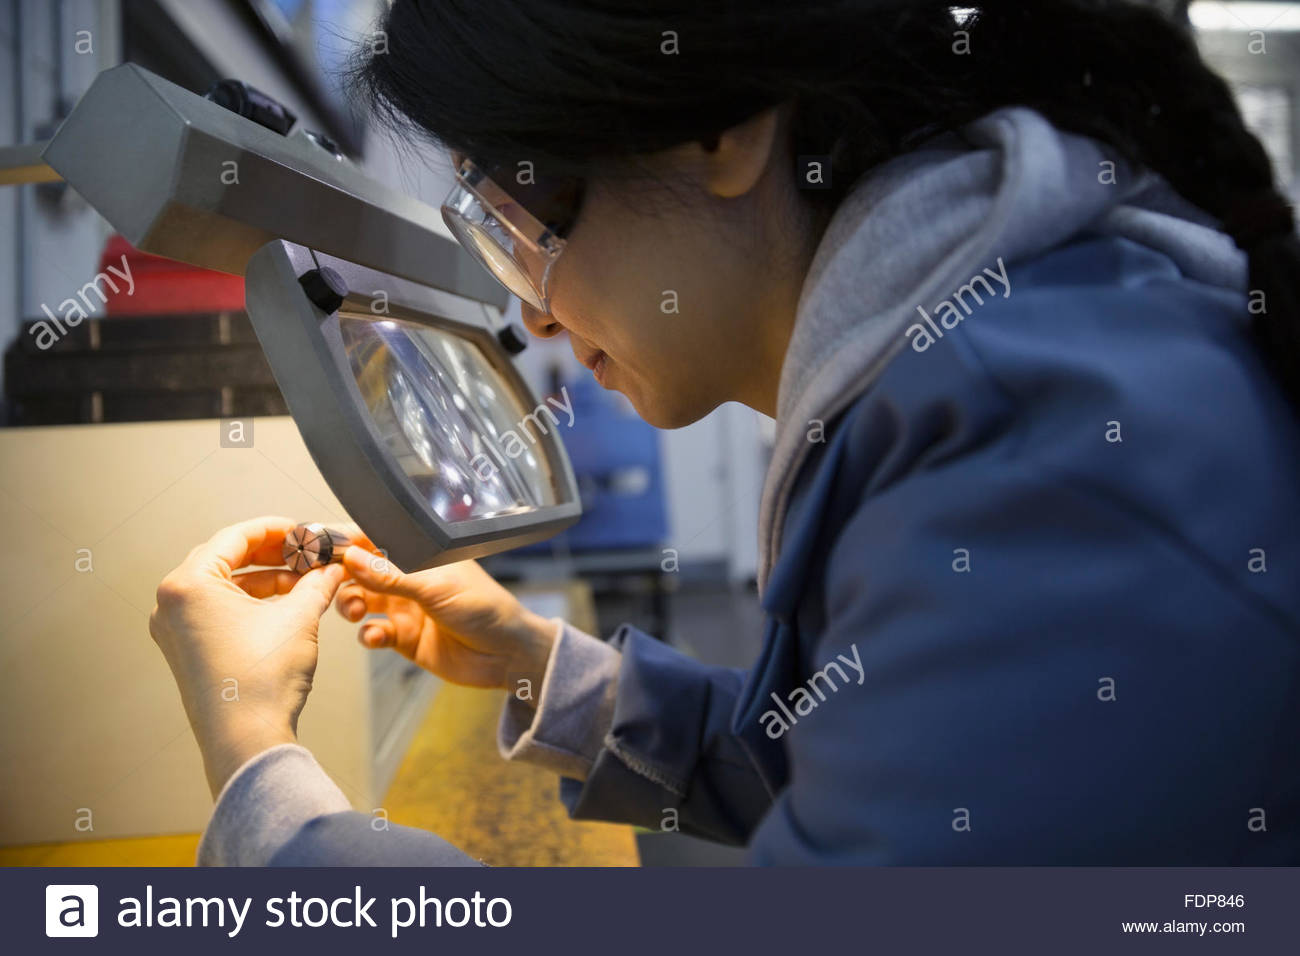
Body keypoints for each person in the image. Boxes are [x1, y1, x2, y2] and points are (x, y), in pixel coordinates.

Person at [149, 1, 1300, 865]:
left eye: (518, 215)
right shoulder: (973, 370)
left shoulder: (1036, 451)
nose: (536, 313)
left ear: (718, 132)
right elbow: (868, 779)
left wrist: (260, 775)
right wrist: (537, 665)